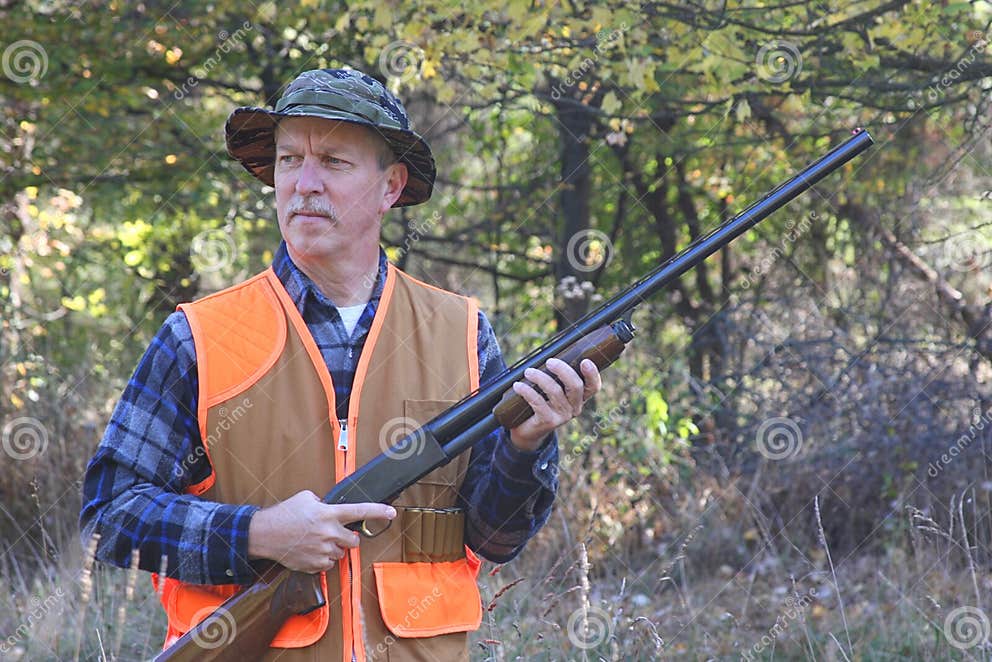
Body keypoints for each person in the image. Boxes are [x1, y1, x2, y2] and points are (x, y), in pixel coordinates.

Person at [80, 68, 601, 661]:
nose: (304, 183)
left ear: (390, 187)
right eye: (288, 159)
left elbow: (495, 539)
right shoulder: (199, 335)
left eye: (333, 161)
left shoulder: (461, 332)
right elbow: (110, 515)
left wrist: (526, 444)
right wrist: (258, 533)